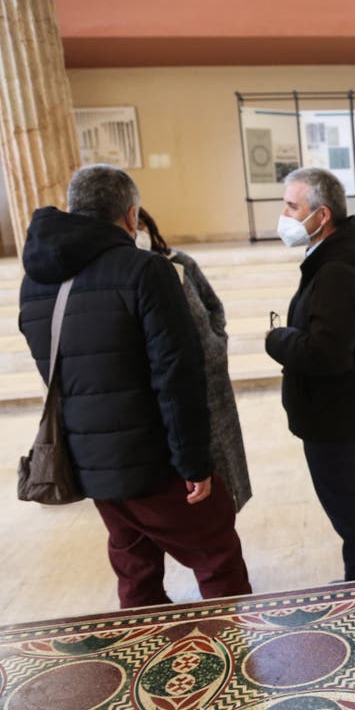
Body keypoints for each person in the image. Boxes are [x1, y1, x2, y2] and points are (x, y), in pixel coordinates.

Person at [19, 165, 251, 608]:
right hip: (152, 461)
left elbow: (56, 374)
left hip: (89, 463)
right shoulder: (145, 271)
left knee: (134, 565)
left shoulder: (35, 281)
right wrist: (194, 464)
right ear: (131, 215)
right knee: (217, 558)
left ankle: (143, 665)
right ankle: (236, 665)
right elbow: (176, 375)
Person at [264, 166, 355, 581]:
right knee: (353, 495)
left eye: (291, 206)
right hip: (339, 409)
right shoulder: (336, 260)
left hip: (331, 413)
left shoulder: (336, 272)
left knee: (346, 505)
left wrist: (277, 340)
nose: (284, 215)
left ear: (321, 217)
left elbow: (326, 354)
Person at [137, 208, 252, 513]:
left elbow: (213, 306)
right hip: (159, 392)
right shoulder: (122, 274)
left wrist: (215, 342)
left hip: (204, 379)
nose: (137, 231)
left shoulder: (179, 263)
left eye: (141, 224)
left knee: (221, 481)